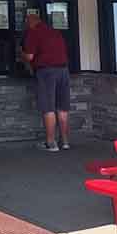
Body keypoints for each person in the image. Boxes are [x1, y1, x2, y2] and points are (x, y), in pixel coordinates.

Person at [22, 14, 71, 151]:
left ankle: (51, 143)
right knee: (62, 107)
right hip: (64, 70)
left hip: (46, 71)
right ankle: (65, 142)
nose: (25, 26)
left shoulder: (33, 32)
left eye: (26, 23)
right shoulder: (55, 32)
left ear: (30, 22)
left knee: (48, 107)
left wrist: (21, 54)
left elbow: (29, 56)